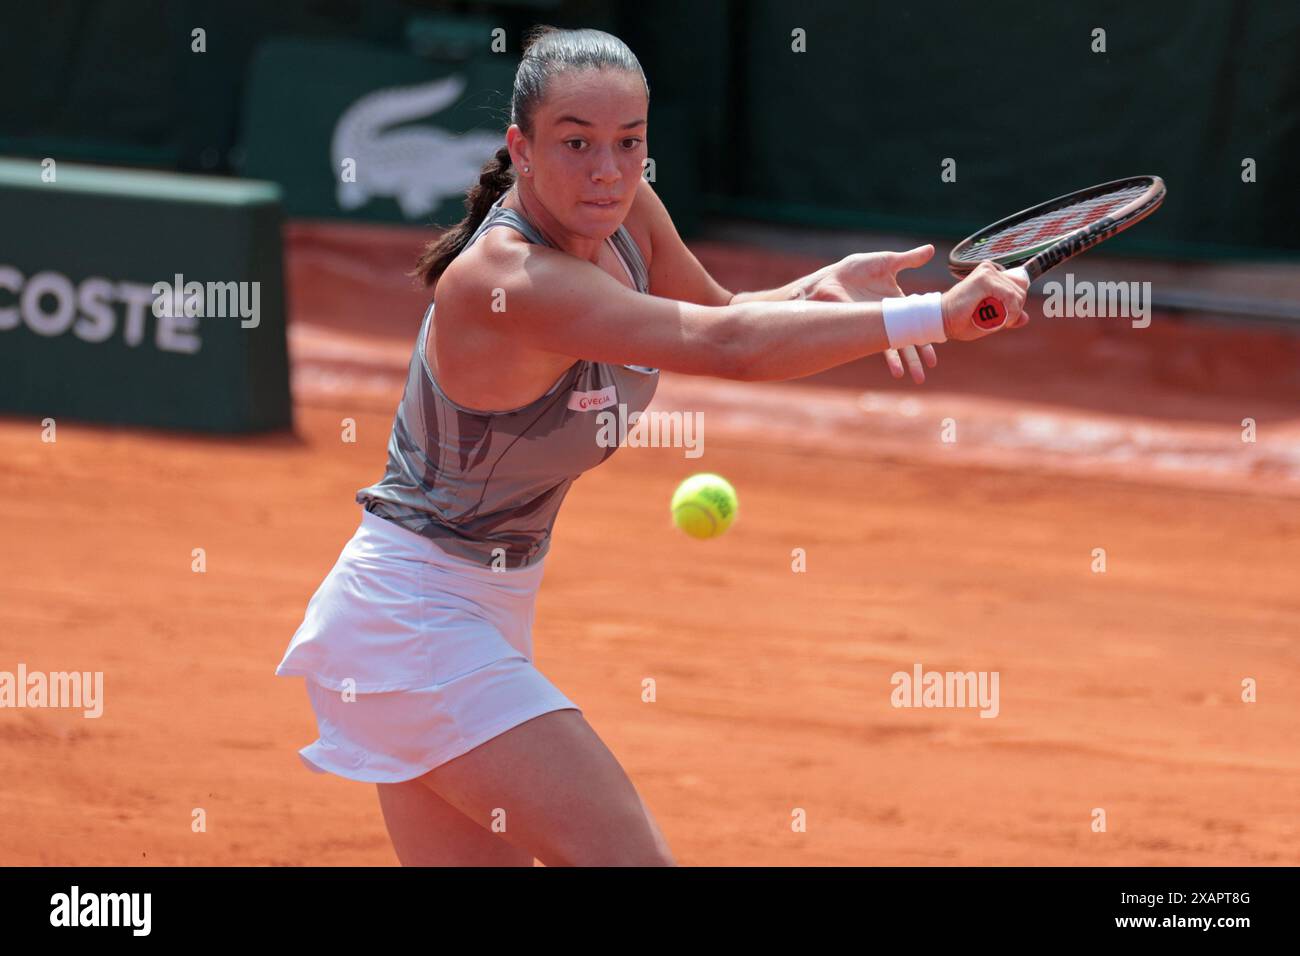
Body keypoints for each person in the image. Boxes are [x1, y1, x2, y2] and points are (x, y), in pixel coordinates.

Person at [275, 25, 1029, 867]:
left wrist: (818, 290)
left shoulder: (627, 214)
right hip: (412, 620)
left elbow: (721, 311)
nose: (606, 170)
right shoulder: (506, 281)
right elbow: (728, 348)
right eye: (576, 143)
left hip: (476, 614)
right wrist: (937, 316)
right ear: (520, 148)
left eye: (628, 143)